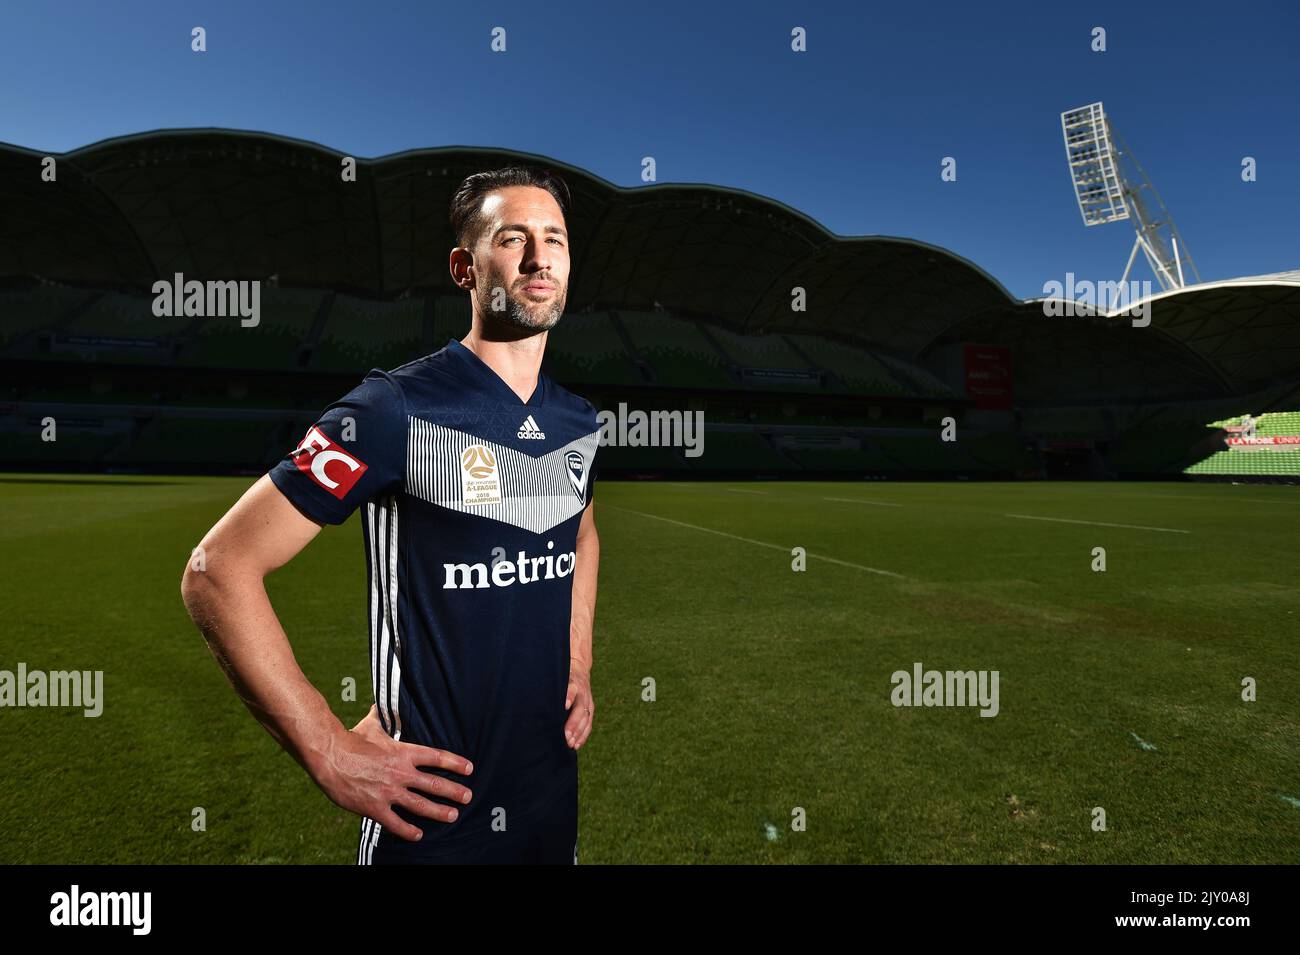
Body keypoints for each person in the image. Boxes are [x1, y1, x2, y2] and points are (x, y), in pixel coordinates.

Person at [181, 165, 601, 864]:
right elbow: (217, 569)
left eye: (554, 239)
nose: (538, 257)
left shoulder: (576, 419)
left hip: (551, 804)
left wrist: (578, 660)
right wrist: (326, 745)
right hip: (432, 821)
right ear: (464, 268)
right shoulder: (395, 408)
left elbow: (580, 532)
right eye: (513, 238)